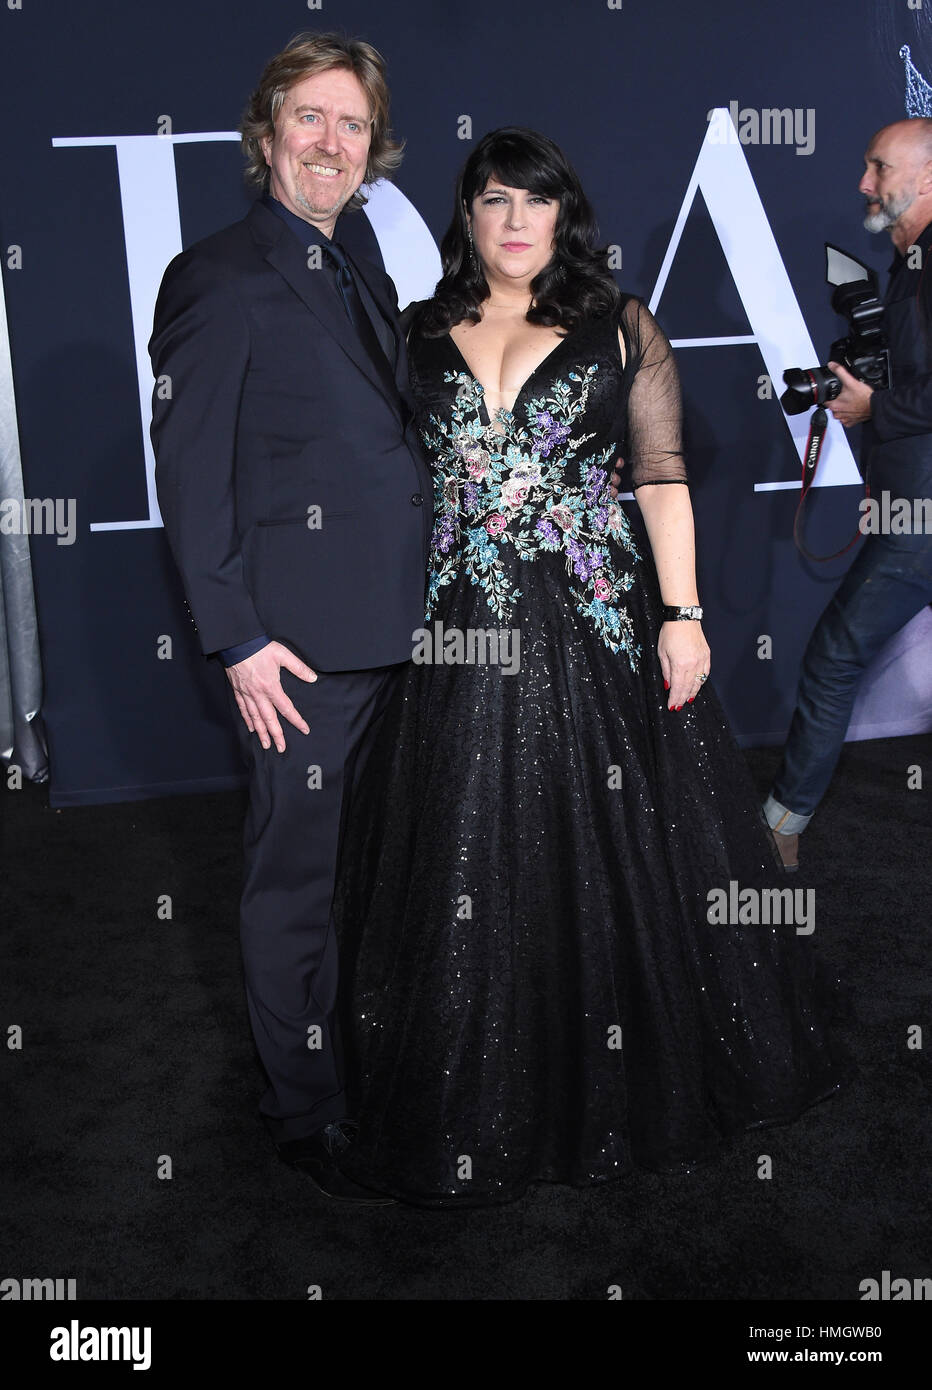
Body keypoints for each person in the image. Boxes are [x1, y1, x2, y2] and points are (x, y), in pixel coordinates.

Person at [332, 128, 855, 1208]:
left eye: (537, 201)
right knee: (459, 846)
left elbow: (659, 477)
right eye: (494, 200)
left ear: (563, 215)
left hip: (593, 620)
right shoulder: (418, 330)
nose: (516, 220)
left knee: (625, 846)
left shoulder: (618, 326)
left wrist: (683, 613)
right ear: (467, 216)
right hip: (457, 626)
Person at [148, 32, 433, 1203]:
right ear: (265, 133)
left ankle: (354, 1059)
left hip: (397, 631)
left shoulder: (352, 251)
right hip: (299, 651)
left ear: (374, 148)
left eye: (351, 124)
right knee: (296, 880)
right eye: (309, 119)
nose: (330, 143)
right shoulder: (217, 274)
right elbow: (189, 473)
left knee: (371, 871)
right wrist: (236, 637)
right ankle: (303, 1108)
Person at [765, 118, 932, 870]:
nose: (865, 184)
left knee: (835, 654)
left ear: (926, 176)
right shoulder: (907, 267)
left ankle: (782, 825)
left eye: (878, 168)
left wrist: (874, 408)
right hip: (908, 507)